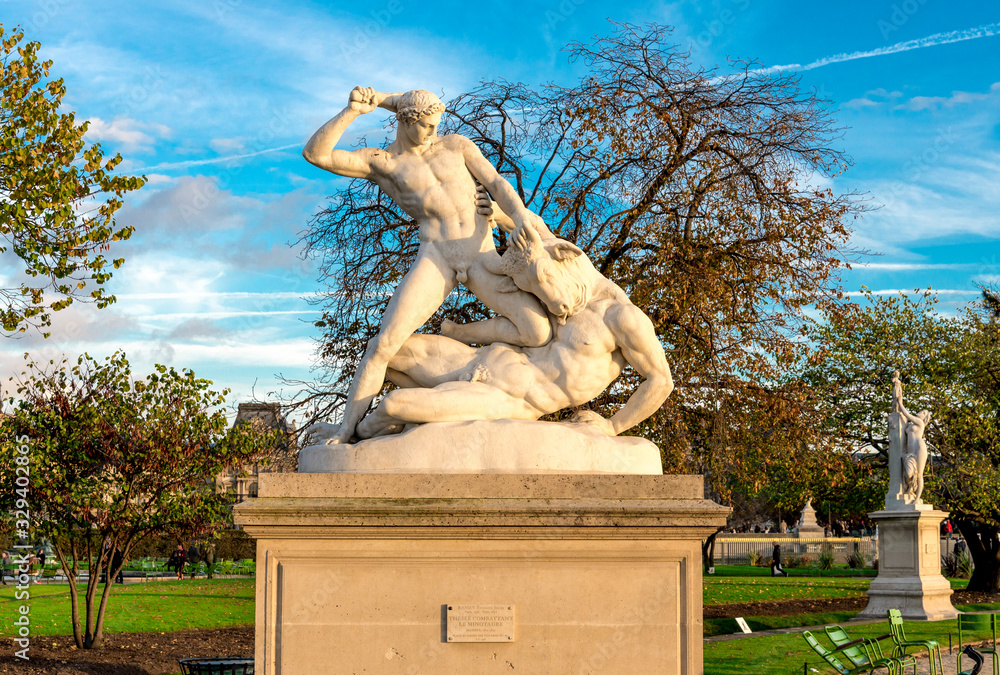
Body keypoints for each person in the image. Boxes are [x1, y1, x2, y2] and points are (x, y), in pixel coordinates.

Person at [302, 86, 557, 444]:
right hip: (436, 258)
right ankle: (346, 430)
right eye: (426, 126)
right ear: (406, 122)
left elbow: (496, 182)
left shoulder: (456, 145)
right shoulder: (384, 163)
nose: (433, 132)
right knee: (383, 345)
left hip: (481, 255)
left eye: (437, 125)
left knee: (538, 331)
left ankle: (460, 336)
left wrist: (517, 215)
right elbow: (316, 154)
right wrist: (354, 112)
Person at [327, 227, 674, 440]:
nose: (552, 302)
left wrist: (613, 426)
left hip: (512, 398)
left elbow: (661, 380)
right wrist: (491, 209)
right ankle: (346, 432)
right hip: (484, 358)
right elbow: (528, 224)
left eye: (548, 285)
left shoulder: (623, 317)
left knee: (394, 404)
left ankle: (361, 435)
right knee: (385, 350)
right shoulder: (557, 269)